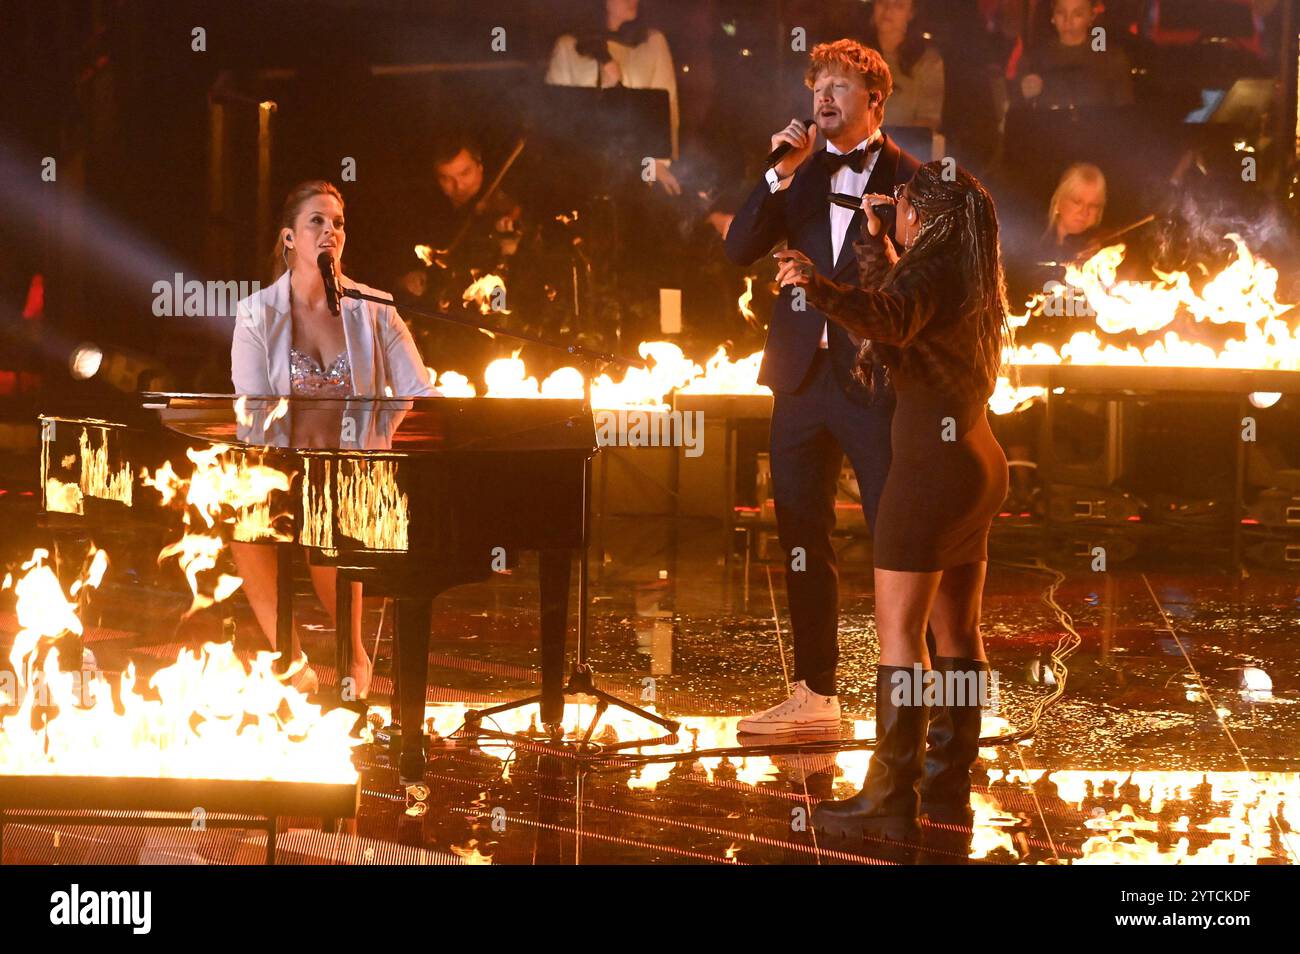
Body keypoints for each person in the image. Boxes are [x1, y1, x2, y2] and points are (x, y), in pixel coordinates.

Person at [774, 160, 1011, 840]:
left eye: (901, 203)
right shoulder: (962, 266)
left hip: (931, 474)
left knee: (901, 636)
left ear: (925, 216)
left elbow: (890, 316)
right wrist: (876, 244)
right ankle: (946, 779)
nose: (892, 207)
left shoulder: (931, 272)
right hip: (974, 464)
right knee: (958, 633)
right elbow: (900, 315)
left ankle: (888, 791)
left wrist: (815, 287)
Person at [724, 39, 920, 735]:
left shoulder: (911, 177)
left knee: (896, 535)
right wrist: (776, 173)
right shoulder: (798, 174)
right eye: (817, 88)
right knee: (801, 533)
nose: (824, 99)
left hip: (873, 379)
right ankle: (815, 693)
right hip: (801, 377)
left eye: (839, 86)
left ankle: (913, 694)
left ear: (875, 100)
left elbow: (923, 288)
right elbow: (736, 249)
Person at [232, 180, 436, 698]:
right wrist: (278, 467)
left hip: (357, 472)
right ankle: (289, 657)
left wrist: (378, 436)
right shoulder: (257, 313)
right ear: (289, 239)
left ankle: (354, 655)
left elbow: (419, 391)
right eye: (316, 222)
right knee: (243, 522)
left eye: (338, 223)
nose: (329, 232)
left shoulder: (375, 308)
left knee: (330, 524)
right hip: (284, 467)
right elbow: (252, 407)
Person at [546, 0, 681, 194]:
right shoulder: (569, 46)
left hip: (633, 173)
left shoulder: (652, 42)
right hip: (581, 173)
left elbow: (667, 108)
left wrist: (657, 163)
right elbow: (555, 116)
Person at [1015, 0, 1134, 110]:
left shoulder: (1111, 59)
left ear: (1091, 16)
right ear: (1052, 15)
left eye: (1078, 14)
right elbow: (1015, 113)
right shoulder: (1034, 58)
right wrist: (1023, 93)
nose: (1068, 22)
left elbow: (1125, 115)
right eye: (1061, 13)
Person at [866, 0, 944, 131]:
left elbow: (929, 121)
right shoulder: (852, 55)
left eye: (898, 5)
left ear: (911, 13)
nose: (888, 10)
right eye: (881, 2)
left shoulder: (927, 62)